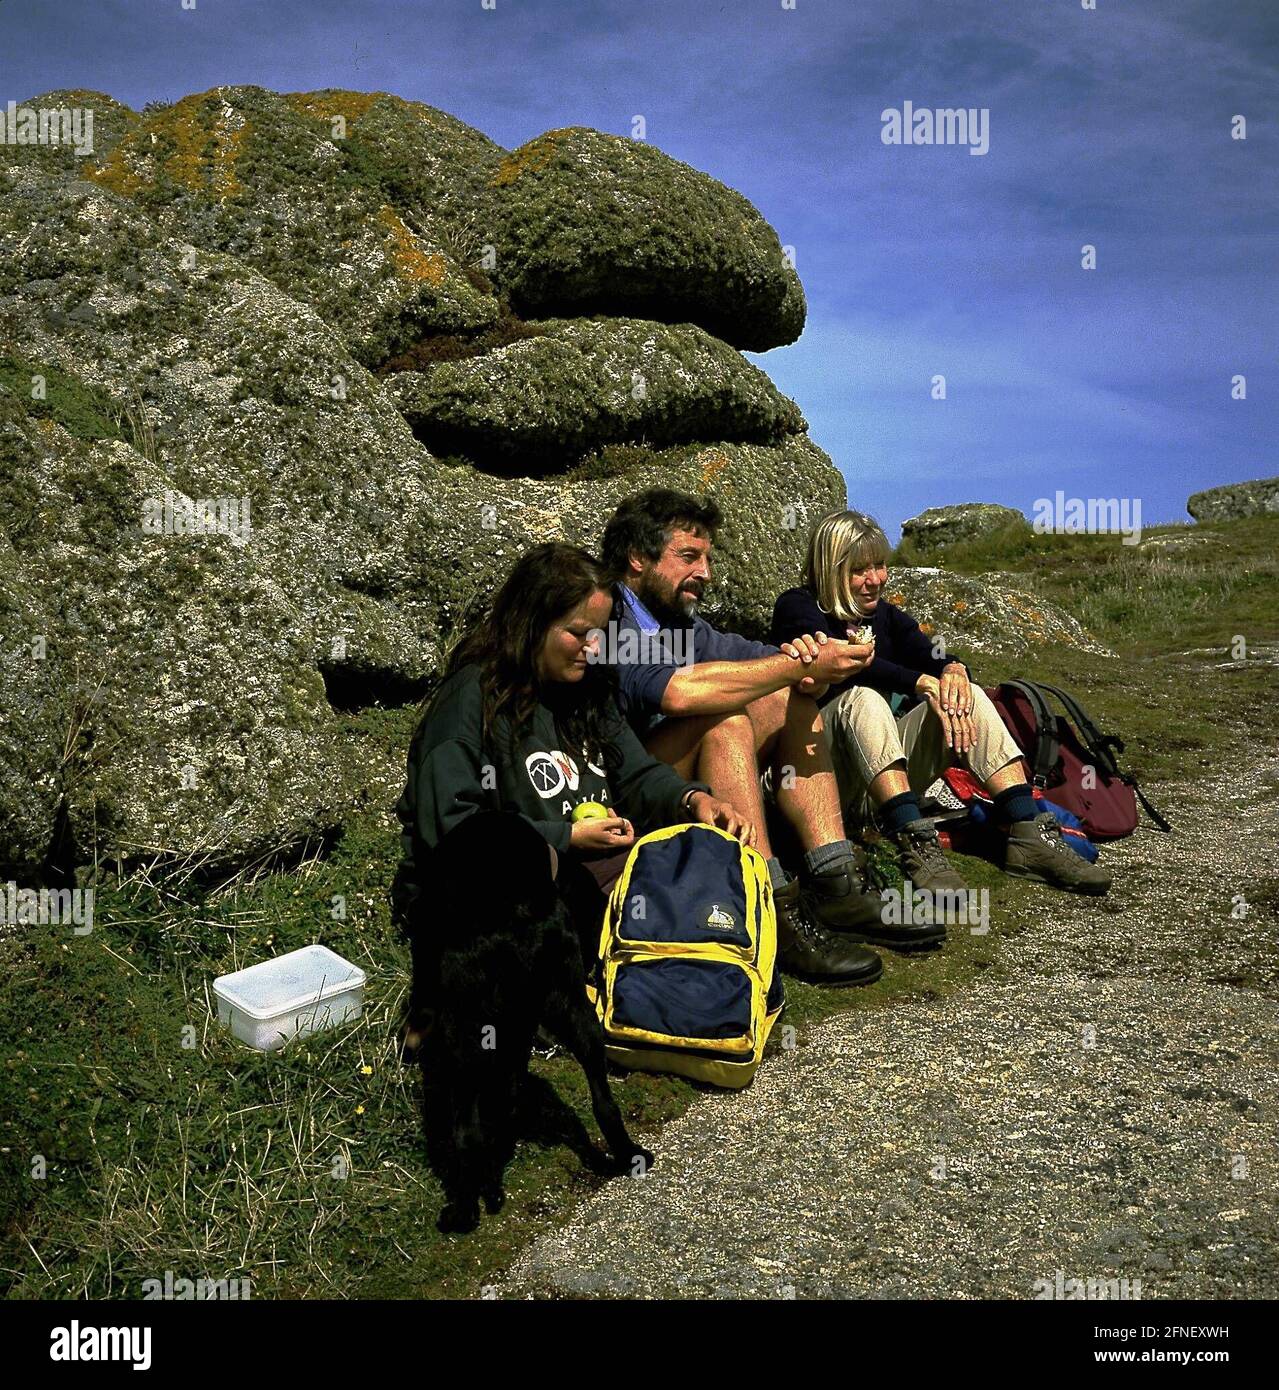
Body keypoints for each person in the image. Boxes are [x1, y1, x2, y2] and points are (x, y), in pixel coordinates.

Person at [599, 489, 944, 986]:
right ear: (637, 557)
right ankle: (769, 905)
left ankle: (834, 881)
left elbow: (761, 660)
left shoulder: (677, 622)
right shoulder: (610, 613)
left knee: (787, 697)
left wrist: (810, 666)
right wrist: (794, 664)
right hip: (627, 793)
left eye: (708, 558)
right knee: (726, 720)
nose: (706, 572)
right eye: (689, 557)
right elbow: (673, 693)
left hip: (670, 779)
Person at [392, 543, 756, 964]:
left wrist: (692, 799)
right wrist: (567, 837)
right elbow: (457, 834)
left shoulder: (587, 691)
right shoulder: (469, 701)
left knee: (702, 874)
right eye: (578, 633)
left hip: (596, 866)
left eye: (599, 634)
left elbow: (637, 775)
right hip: (497, 886)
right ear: (530, 623)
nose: (593, 647)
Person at [770, 510, 1112, 895]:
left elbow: (931, 654)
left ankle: (1027, 831)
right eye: (859, 570)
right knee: (861, 699)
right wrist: (921, 683)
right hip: (819, 782)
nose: (875, 580)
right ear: (829, 571)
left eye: (880, 566)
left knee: (968, 694)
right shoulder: (797, 608)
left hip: (877, 786)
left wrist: (953, 671)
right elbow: (850, 665)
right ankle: (914, 841)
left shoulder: (886, 616)